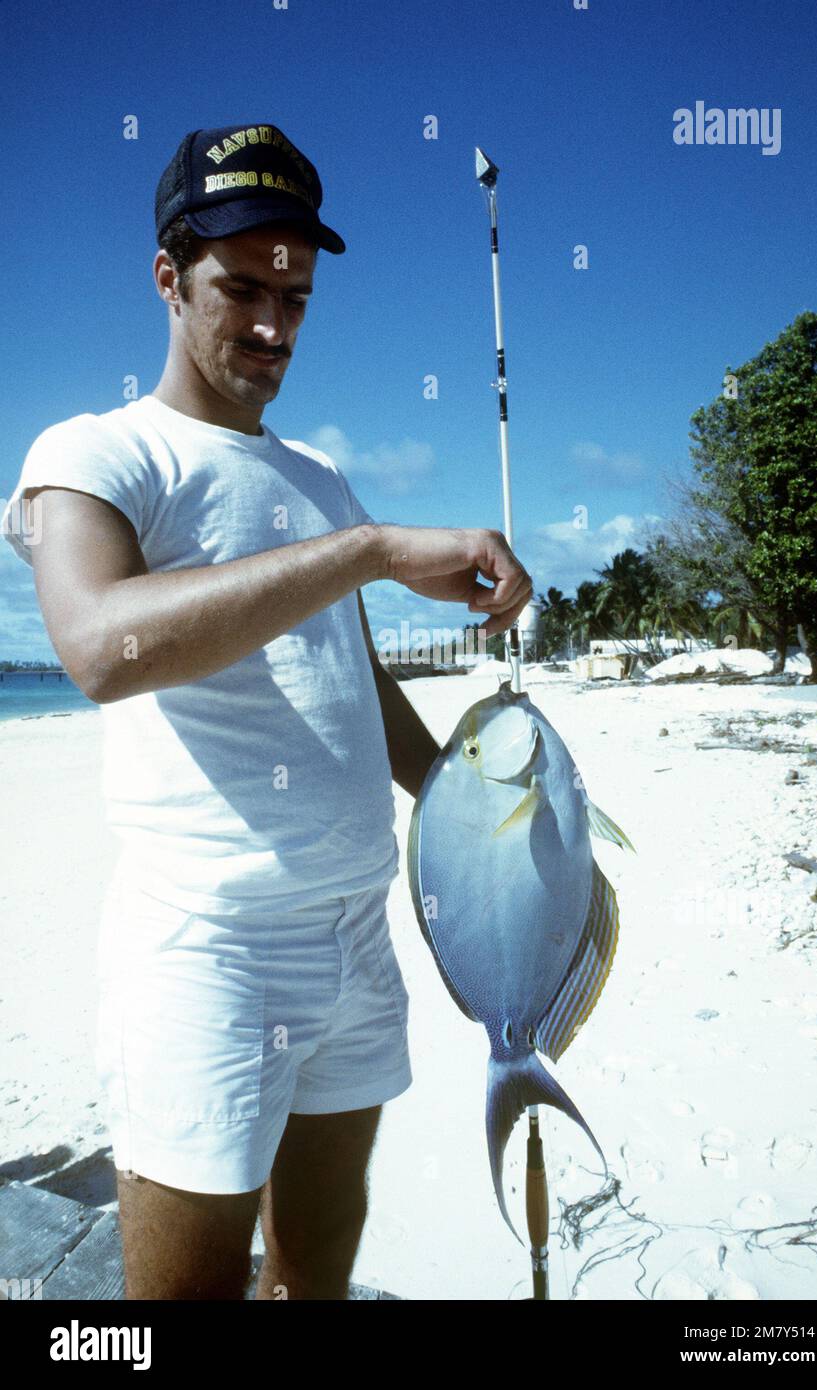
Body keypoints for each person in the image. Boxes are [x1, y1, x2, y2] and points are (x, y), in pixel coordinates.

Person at [1, 122, 533, 1300]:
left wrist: (476, 798)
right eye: (240, 288)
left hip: (356, 931)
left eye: (295, 295)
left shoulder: (317, 474)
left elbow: (351, 678)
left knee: (314, 1278)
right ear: (167, 276)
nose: (272, 326)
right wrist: (372, 551)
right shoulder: (97, 451)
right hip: (209, 949)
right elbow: (96, 645)